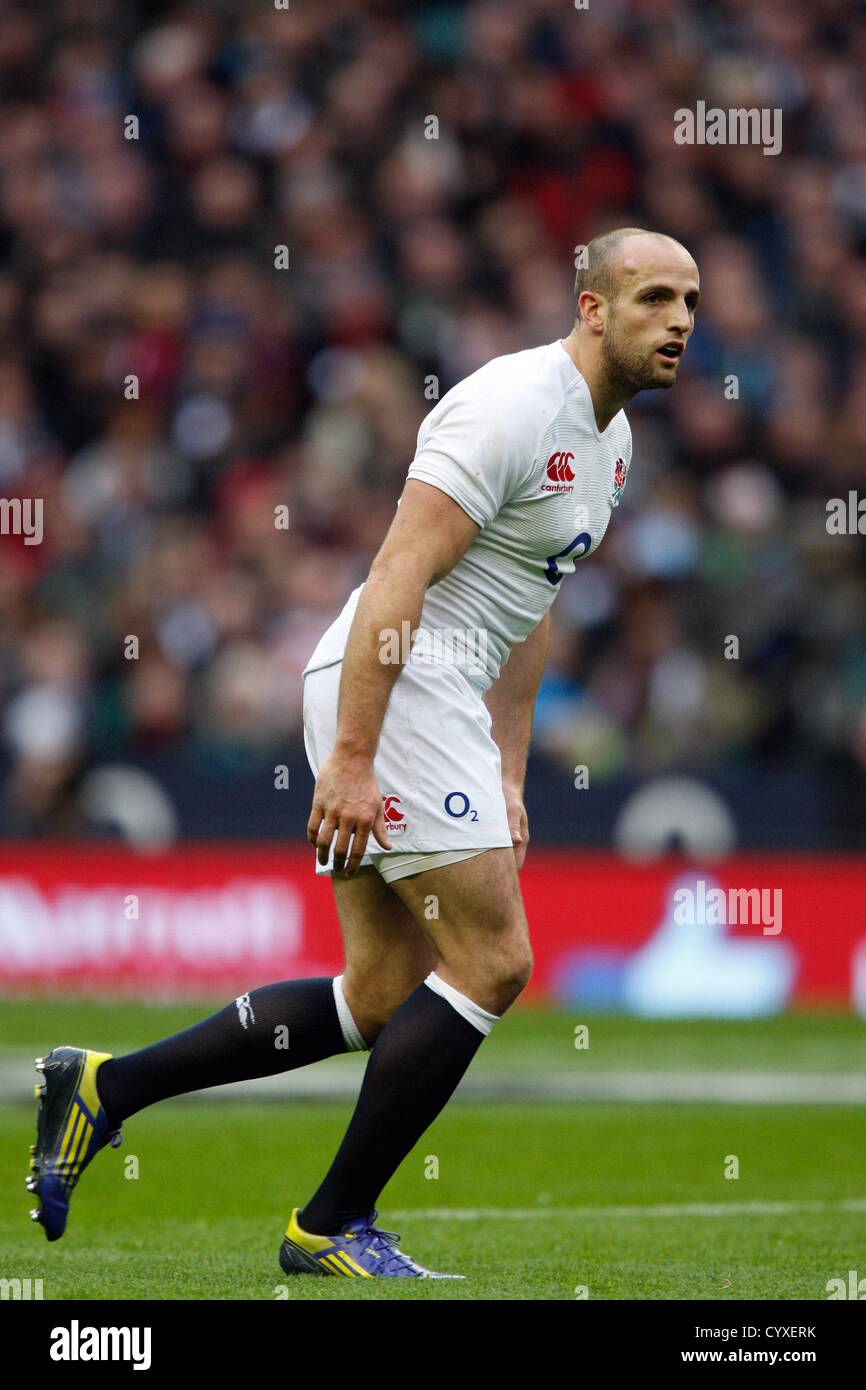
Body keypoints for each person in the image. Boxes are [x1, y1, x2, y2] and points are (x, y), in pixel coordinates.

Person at [27, 228, 699, 1279]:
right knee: (494, 960)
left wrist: (509, 767)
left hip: (433, 699)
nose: (679, 321)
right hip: (392, 679)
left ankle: (104, 1088)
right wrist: (350, 756)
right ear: (590, 308)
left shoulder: (610, 446)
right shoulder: (511, 407)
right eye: (653, 297)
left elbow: (531, 609)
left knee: (380, 995)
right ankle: (329, 1221)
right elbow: (395, 574)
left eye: (689, 301)